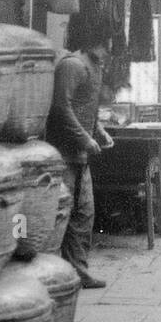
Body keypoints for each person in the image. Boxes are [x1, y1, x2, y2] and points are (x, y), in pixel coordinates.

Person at [46, 43, 116, 289]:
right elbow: (61, 107)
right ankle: (50, 275)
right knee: (58, 215)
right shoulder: (72, 65)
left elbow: (87, 106)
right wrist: (84, 138)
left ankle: (79, 272)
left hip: (80, 157)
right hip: (62, 155)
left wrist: (98, 130)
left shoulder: (95, 67)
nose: (108, 52)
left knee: (84, 215)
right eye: (104, 45)